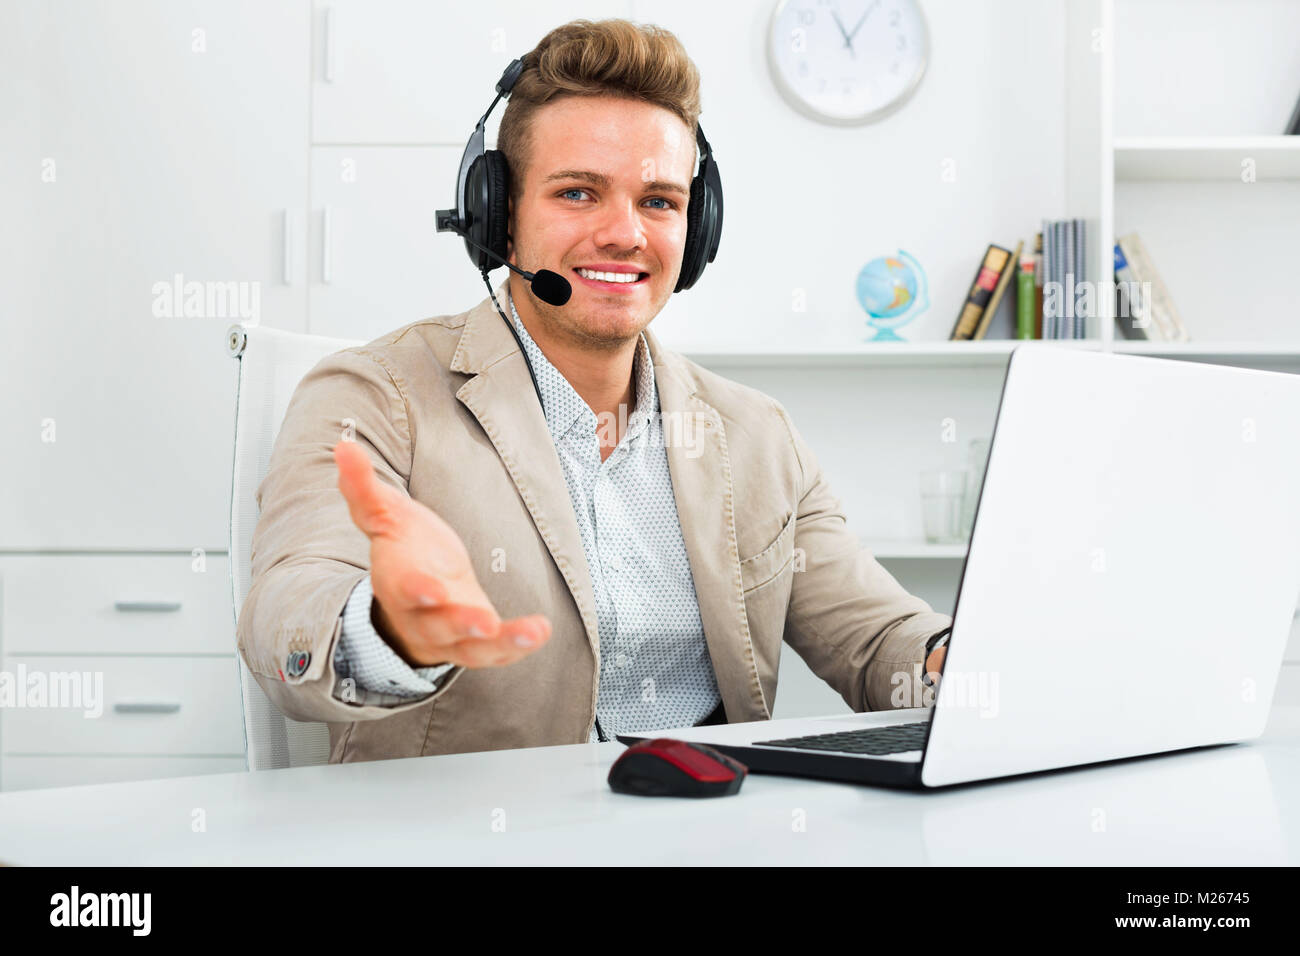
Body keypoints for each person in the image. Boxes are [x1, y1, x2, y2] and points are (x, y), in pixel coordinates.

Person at [236, 18, 951, 764]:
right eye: (578, 193)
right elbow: (287, 608)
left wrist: (954, 662)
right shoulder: (374, 396)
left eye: (659, 201)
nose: (625, 234)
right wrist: (387, 627)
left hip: (706, 827)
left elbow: (874, 639)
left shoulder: (755, 434)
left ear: (697, 231)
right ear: (498, 220)